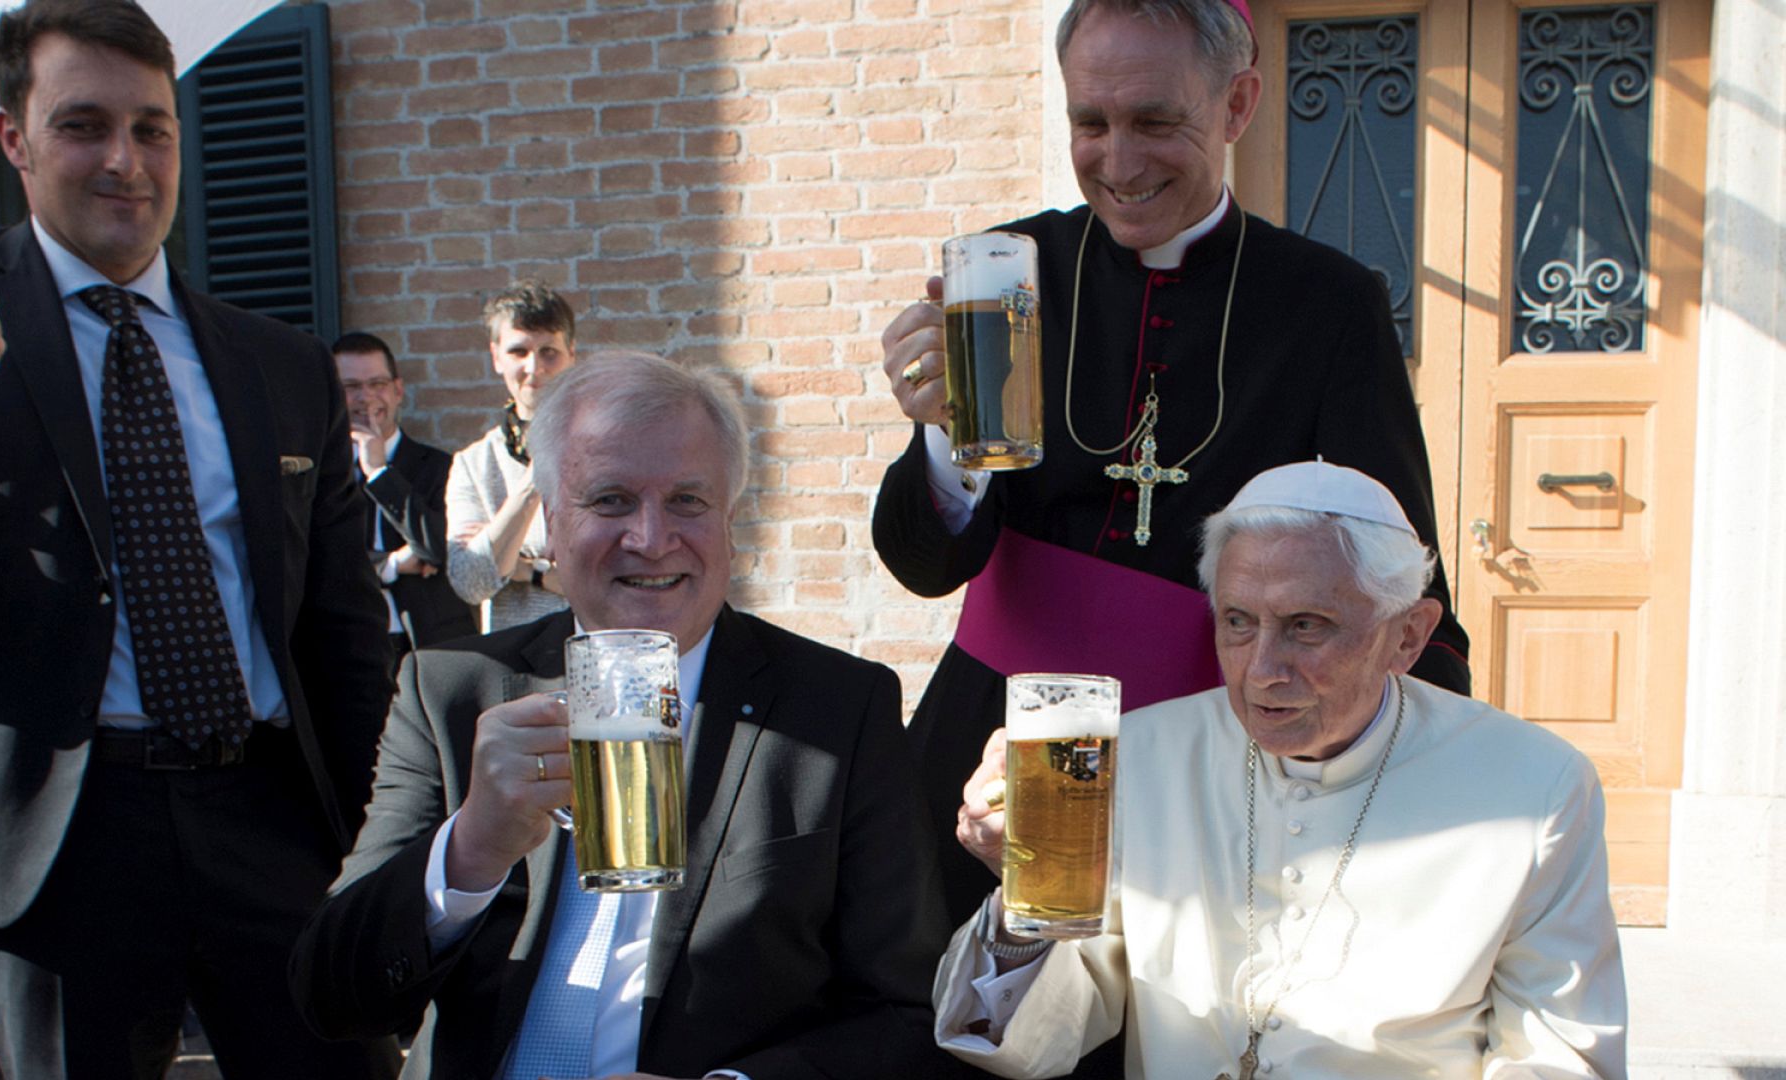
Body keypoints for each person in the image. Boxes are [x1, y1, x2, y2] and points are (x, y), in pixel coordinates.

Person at [0, 1, 396, 1075]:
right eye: (83, 125)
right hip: (49, 835)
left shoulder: (280, 363)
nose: (126, 161)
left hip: (269, 814)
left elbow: (340, 629)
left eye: (152, 128)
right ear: (13, 138)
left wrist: (386, 834)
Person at [872, 0, 1474, 930]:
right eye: (1090, 123)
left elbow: (1403, 576)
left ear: (1237, 105)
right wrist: (945, 436)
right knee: (949, 996)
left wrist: (1430, 794)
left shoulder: (1328, 304)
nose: (1119, 162)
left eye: (1155, 122)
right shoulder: (1009, 272)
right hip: (988, 740)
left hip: (1219, 760)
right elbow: (923, 566)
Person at [291, 352, 957, 1079]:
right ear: (550, 524)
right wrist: (471, 849)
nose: (650, 537)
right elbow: (331, 996)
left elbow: (907, 1013)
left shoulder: (836, 710)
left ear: (729, 520)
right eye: (610, 500)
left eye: (688, 501)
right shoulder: (452, 692)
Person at [933, 460, 1625, 1078]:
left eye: (1306, 626)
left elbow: (1559, 1056)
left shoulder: (1535, 789)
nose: (1262, 670)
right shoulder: (1140, 755)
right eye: (1238, 621)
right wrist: (1031, 890)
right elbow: (1046, 1033)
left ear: (1407, 636)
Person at [334, 331, 478, 665]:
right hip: (350, 648)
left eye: (377, 384)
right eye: (351, 386)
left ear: (398, 390)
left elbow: (440, 550)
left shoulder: (441, 467)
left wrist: (379, 474)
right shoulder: (323, 477)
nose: (366, 397)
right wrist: (393, 564)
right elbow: (323, 561)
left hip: (432, 647)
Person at [445, 281, 576, 634]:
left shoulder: (608, 446)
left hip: (604, 644)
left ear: (571, 354)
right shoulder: (473, 464)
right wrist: (536, 477)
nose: (534, 367)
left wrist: (520, 566)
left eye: (549, 352)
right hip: (519, 653)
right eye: (519, 351)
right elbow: (471, 581)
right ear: (496, 357)